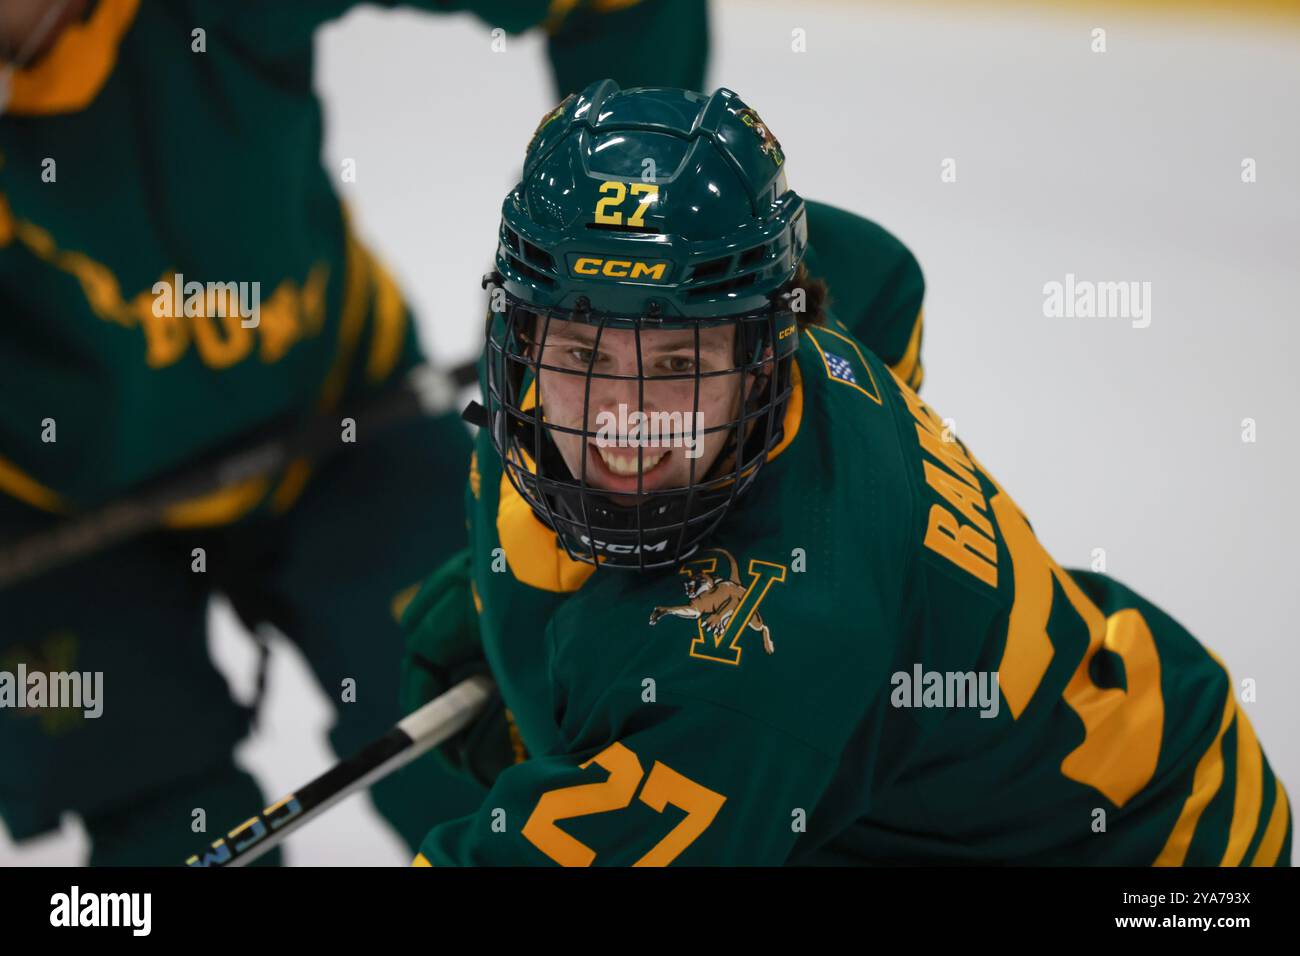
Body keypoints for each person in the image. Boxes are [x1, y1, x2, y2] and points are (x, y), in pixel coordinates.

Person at [401, 79, 1290, 866]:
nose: (624, 418)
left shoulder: (765, 653)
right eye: (584, 351)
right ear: (521, 334)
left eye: (678, 364)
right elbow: (884, 273)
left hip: (1151, 845)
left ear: (766, 352)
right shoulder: (771, 295)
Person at [0, 0, 707, 865]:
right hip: (48, 515)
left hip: (343, 424)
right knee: (160, 827)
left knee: (491, 725)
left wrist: (644, 257)